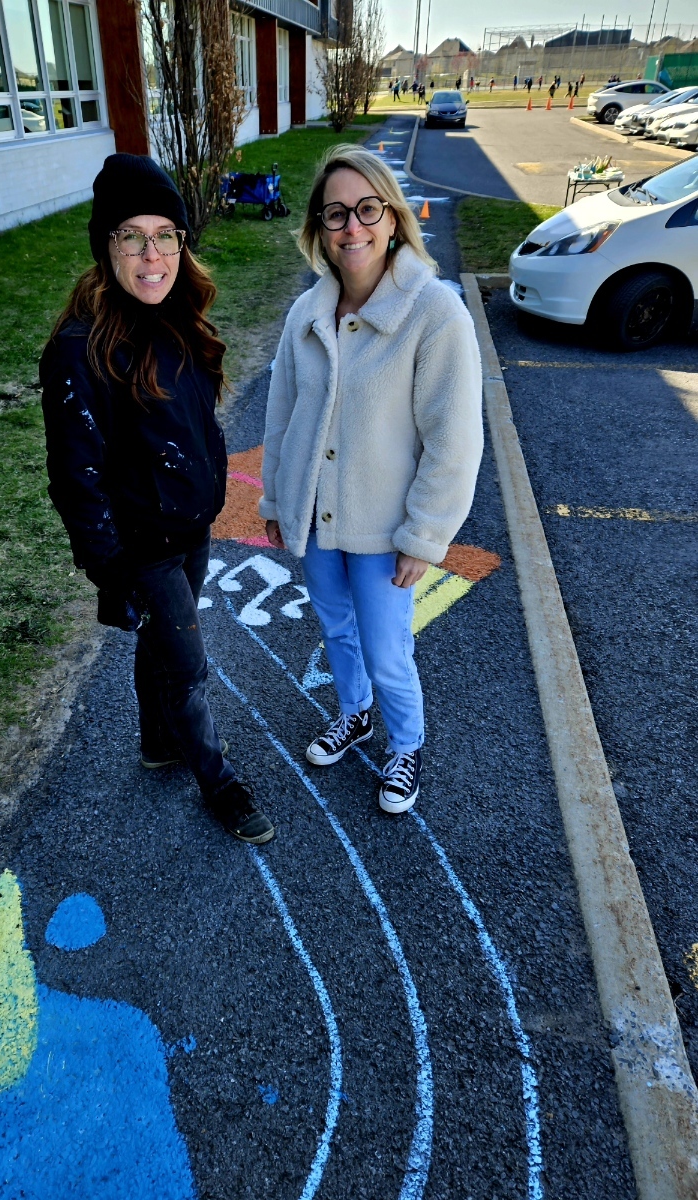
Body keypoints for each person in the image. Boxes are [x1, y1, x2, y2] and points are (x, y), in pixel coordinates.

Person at [40, 153, 275, 845]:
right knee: (189, 669)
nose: (152, 255)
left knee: (163, 649)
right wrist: (111, 570)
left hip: (191, 529)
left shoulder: (180, 321)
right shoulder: (79, 350)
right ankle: (218, 781)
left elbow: (198, 425)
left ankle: (156, 741)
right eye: (132, 236)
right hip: (143, 547)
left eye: (165, 235)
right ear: (105, 246)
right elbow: (75, 476)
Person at [260, 146, 482, 814]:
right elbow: (281, 415)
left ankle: (405, 745)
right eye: (335, 214)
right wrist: (275, 498)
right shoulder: (306, 314)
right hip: (317, 518)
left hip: (387, 530)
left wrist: (426, 535)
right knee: (336, 631)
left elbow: (454, 438)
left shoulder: (434, 313)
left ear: (393, 219)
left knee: (388, 651)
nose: (351, 227)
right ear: (318, 228)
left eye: (366, 209)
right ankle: (354, 715)